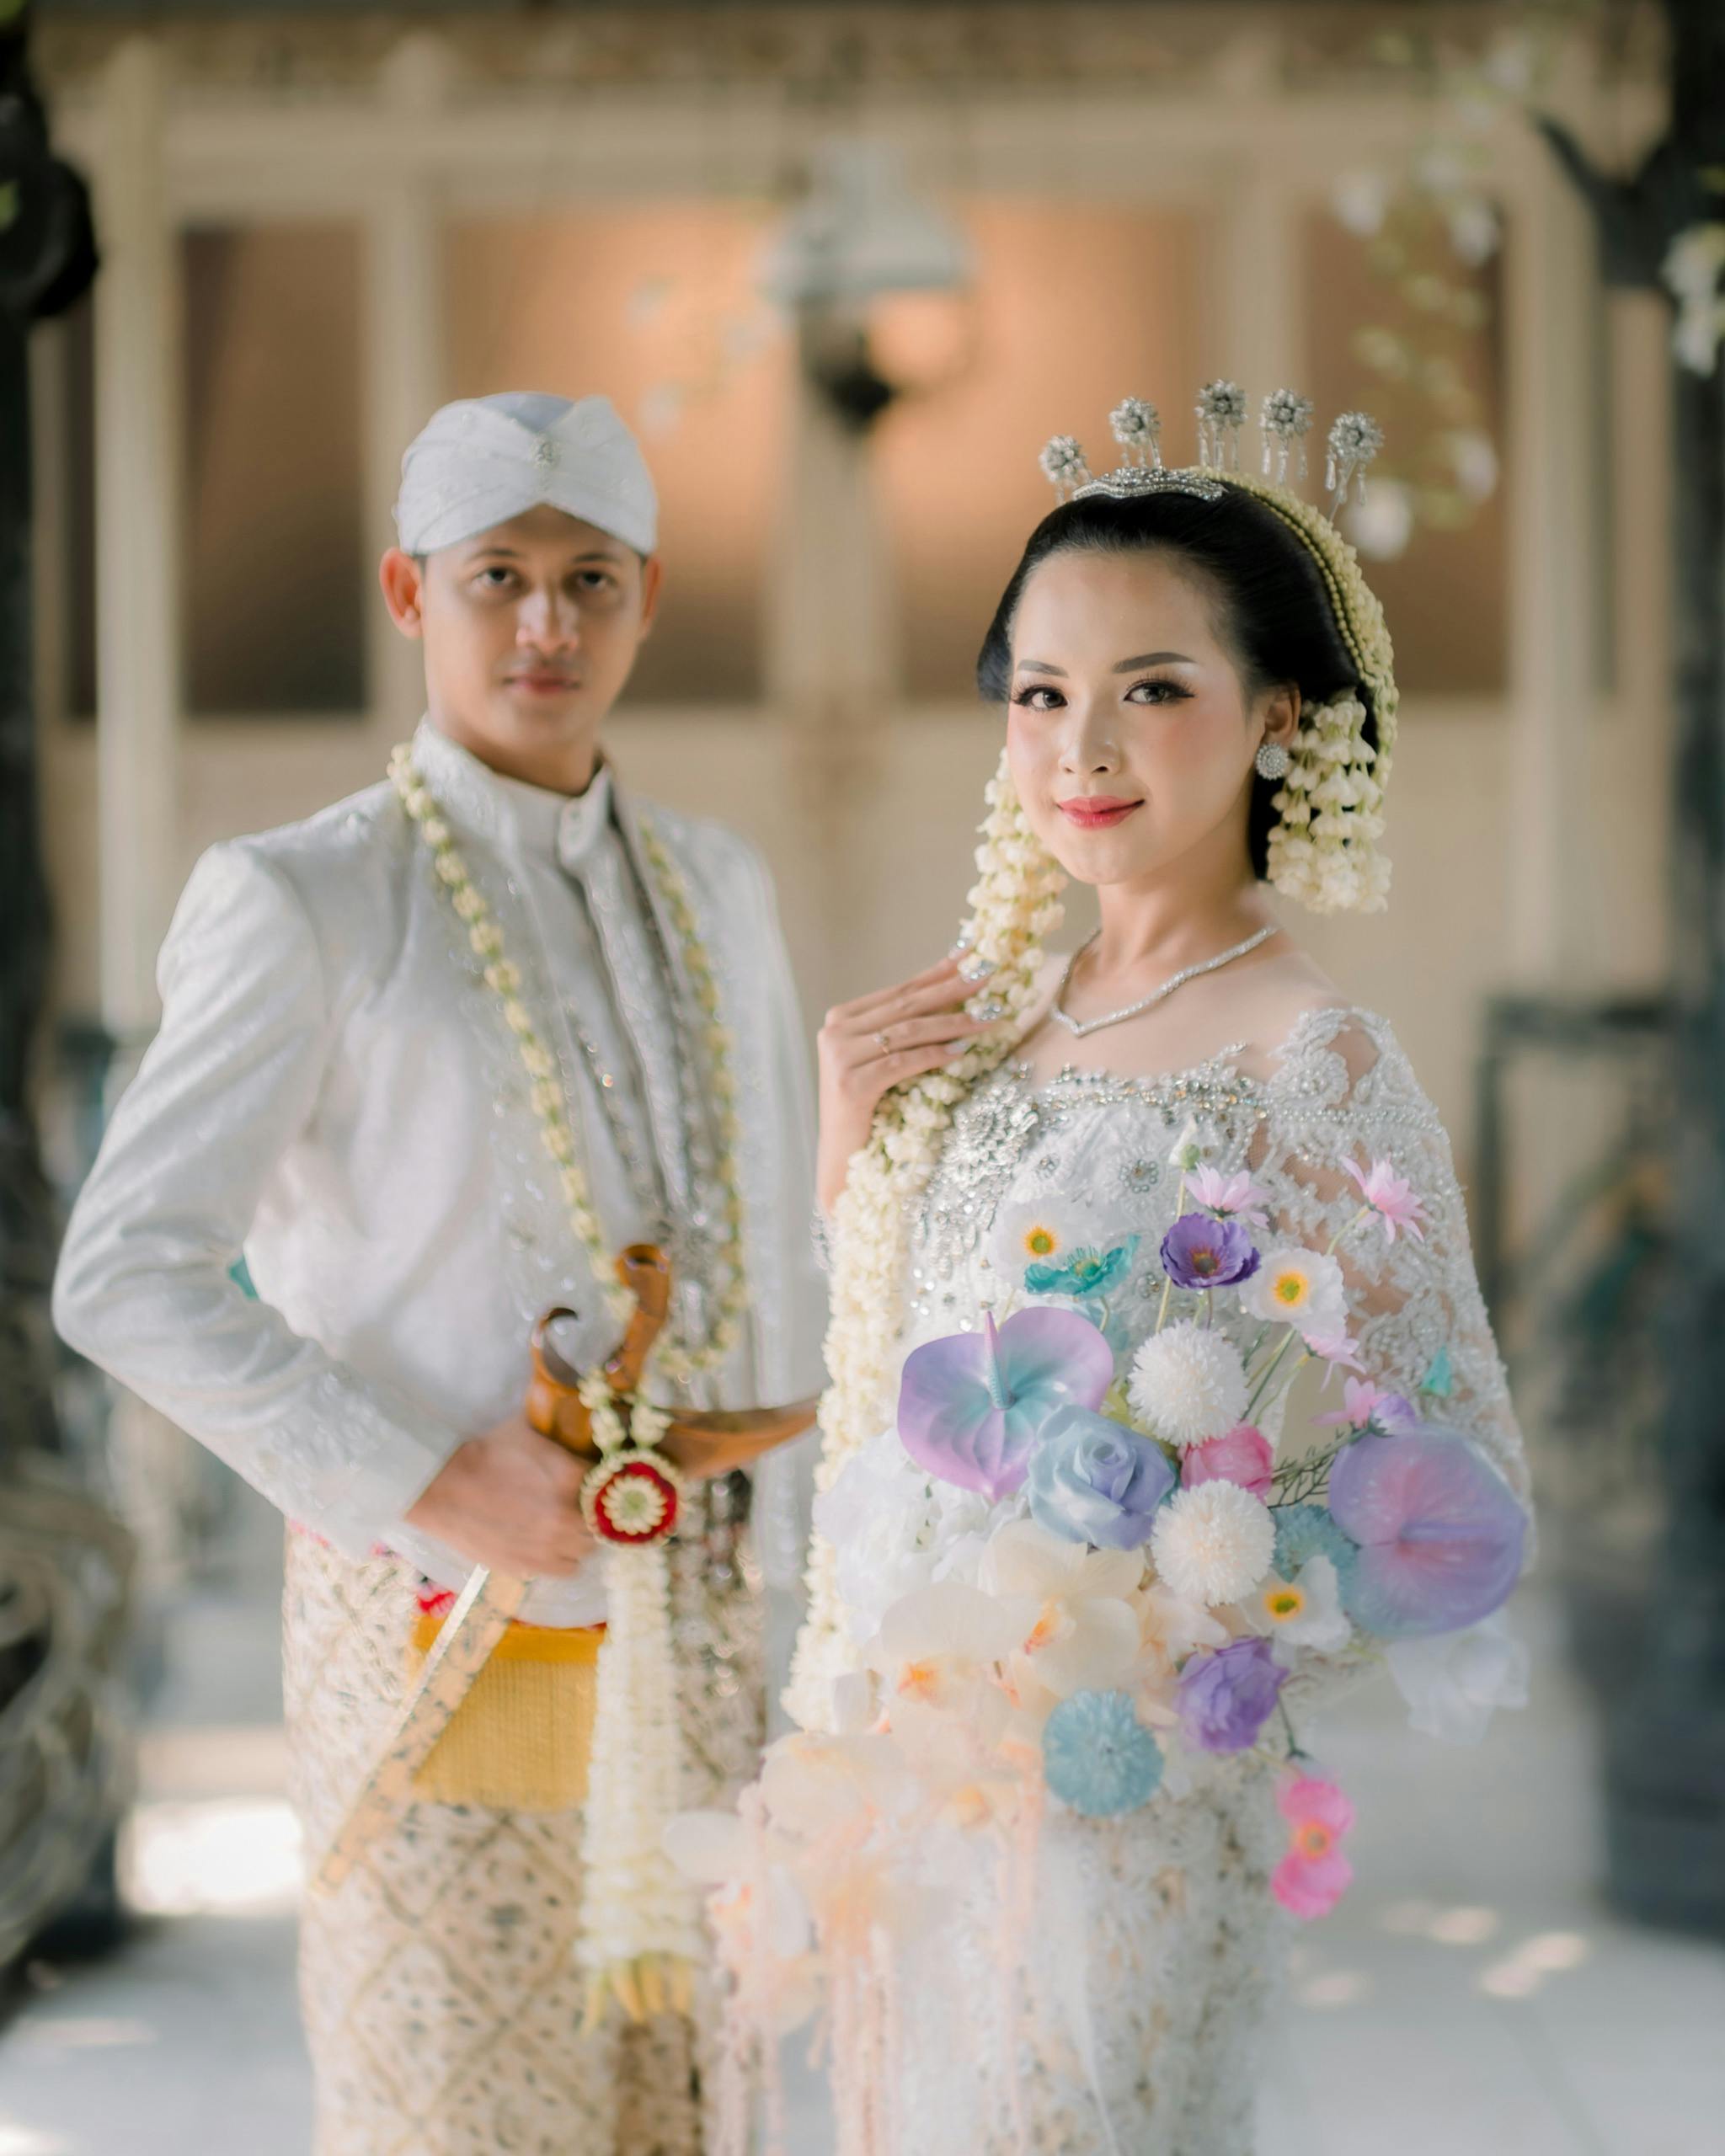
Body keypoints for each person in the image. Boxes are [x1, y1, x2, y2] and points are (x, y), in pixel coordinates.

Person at [53, 390, 825, 2154]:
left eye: (588, 579)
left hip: (694, 1636)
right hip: (439, 1631)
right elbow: (125, 1270)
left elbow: (771, 1252)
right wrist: (427, 1474)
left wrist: (797, 1622)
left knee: (691, 2108)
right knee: (461, 2108)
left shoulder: (717, 882)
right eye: (499, 577)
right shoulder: (304, 897)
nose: (546, 624)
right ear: (410, 595)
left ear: (647, 600)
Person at [768, 390, 1532, 2153]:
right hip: (920, 1776)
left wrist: (1200, 1598)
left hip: (1130, 1809)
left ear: (1277, 713)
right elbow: (892, 1396)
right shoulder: (989, 1023)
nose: (1080, 746)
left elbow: (1466, 1469)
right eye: (1040, 693)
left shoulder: (1307, 1056)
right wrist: (843, 1165)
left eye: (1150, 688)